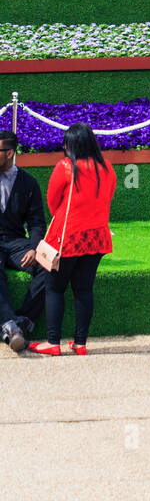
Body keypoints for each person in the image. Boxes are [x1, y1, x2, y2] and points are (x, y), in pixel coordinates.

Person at [28, 122, 116, 356]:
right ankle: (80, 343)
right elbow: (109, 196)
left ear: (71, 145)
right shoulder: (106, 167)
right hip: (97, 237)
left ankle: (53, 342)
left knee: (55, 289)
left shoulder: (66, 166)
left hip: (67, 238)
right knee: (84, 289)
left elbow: (53, 200)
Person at [0, 130, 47, 354]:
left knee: (49, 267)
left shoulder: (28, 183)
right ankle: (11, 325)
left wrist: (33, 246)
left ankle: (22, 323)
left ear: (9, 153)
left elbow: (37, 222)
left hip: (16, 243)